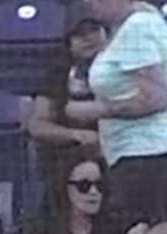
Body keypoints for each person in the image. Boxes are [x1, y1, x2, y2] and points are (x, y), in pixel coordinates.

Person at [66, 0, 167, 224]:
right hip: (134, 155)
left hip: (144, 157)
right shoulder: (135, 23)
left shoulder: (137, 28)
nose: (91, 5)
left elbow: (154, 98)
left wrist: (90, 111)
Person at [27, 1, 109, 183]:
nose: (88, 38)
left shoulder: (126, 67)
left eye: (94, 30)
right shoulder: (57, 74)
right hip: (71, 158)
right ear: (69, 43)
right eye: (80, 34)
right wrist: (76, 135)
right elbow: (37, 126)